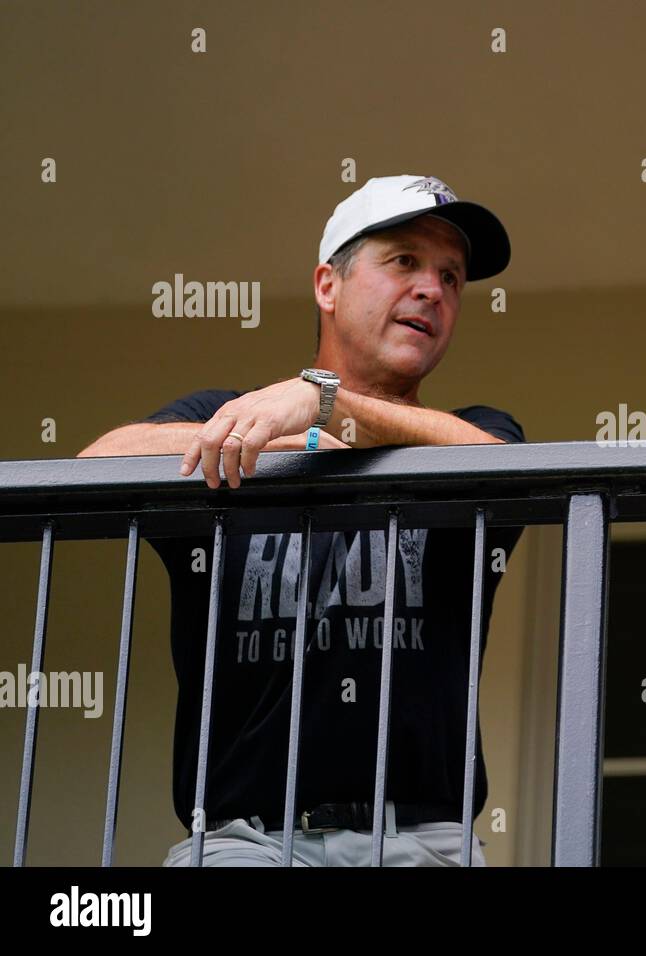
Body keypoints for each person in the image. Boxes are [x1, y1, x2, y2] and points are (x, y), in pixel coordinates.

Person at [79, 174, 522, 866]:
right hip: (245, 842)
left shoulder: (473, 430)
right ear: (327, 286)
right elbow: (99, 461)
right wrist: (288, 437)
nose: (433, 290)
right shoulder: (227, 416)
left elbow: (499, 464)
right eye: (404, 261)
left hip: (421, 844)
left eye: (452, 277)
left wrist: (324, 404)